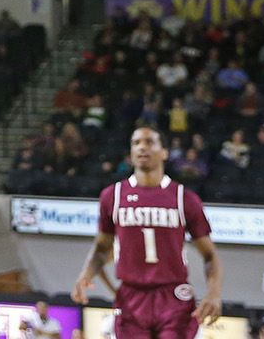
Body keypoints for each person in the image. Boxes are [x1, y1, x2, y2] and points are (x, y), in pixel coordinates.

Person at [72, 127, 224, 339]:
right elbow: (101, 249)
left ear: (164, 152)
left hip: (174, 294)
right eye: (136, 143)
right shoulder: (112, 196)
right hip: (131, 294)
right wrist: (85, 274)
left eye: (149, 142)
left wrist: (214, 293)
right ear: (131, 153)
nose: (142, 147)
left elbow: (210, 254)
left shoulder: (183, 198)